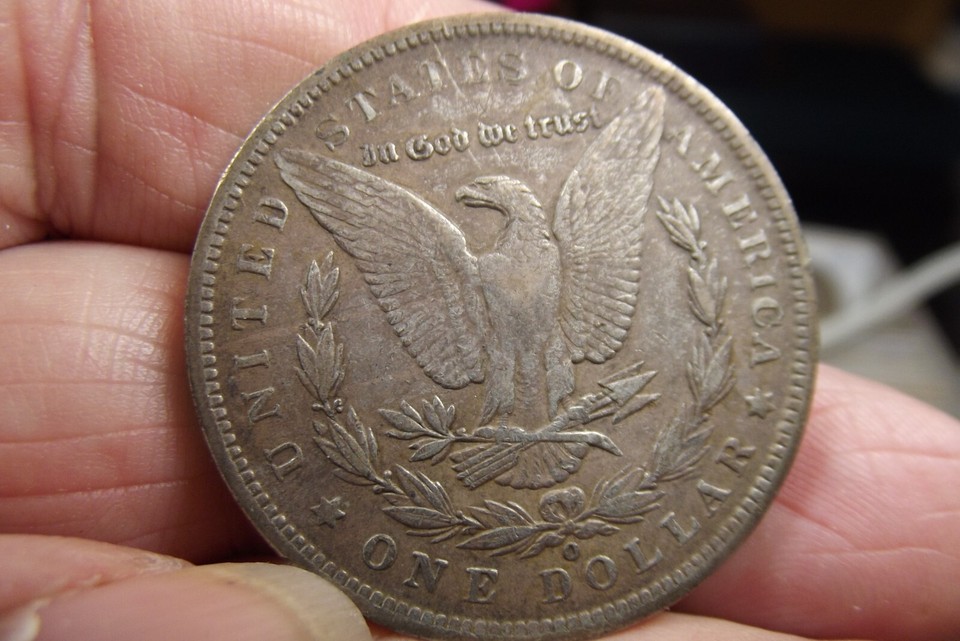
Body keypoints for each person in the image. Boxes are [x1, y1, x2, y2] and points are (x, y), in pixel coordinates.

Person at [1, 1, 958, 640]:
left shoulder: (572, 239)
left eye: (497, 198)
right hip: (497, 409)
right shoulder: (451, 257)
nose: (487, 203)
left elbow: (619, 170)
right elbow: (367, 216)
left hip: (554, 408)